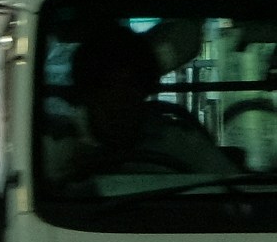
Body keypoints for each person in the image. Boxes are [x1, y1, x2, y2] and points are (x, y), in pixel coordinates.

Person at [49, 24, 229, 188]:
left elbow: (233, 191)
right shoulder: (61, 147)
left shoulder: (179, 143)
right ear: (87, 92)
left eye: (131, 85)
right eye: (107, 85)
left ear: (146, 89)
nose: (119, 98)